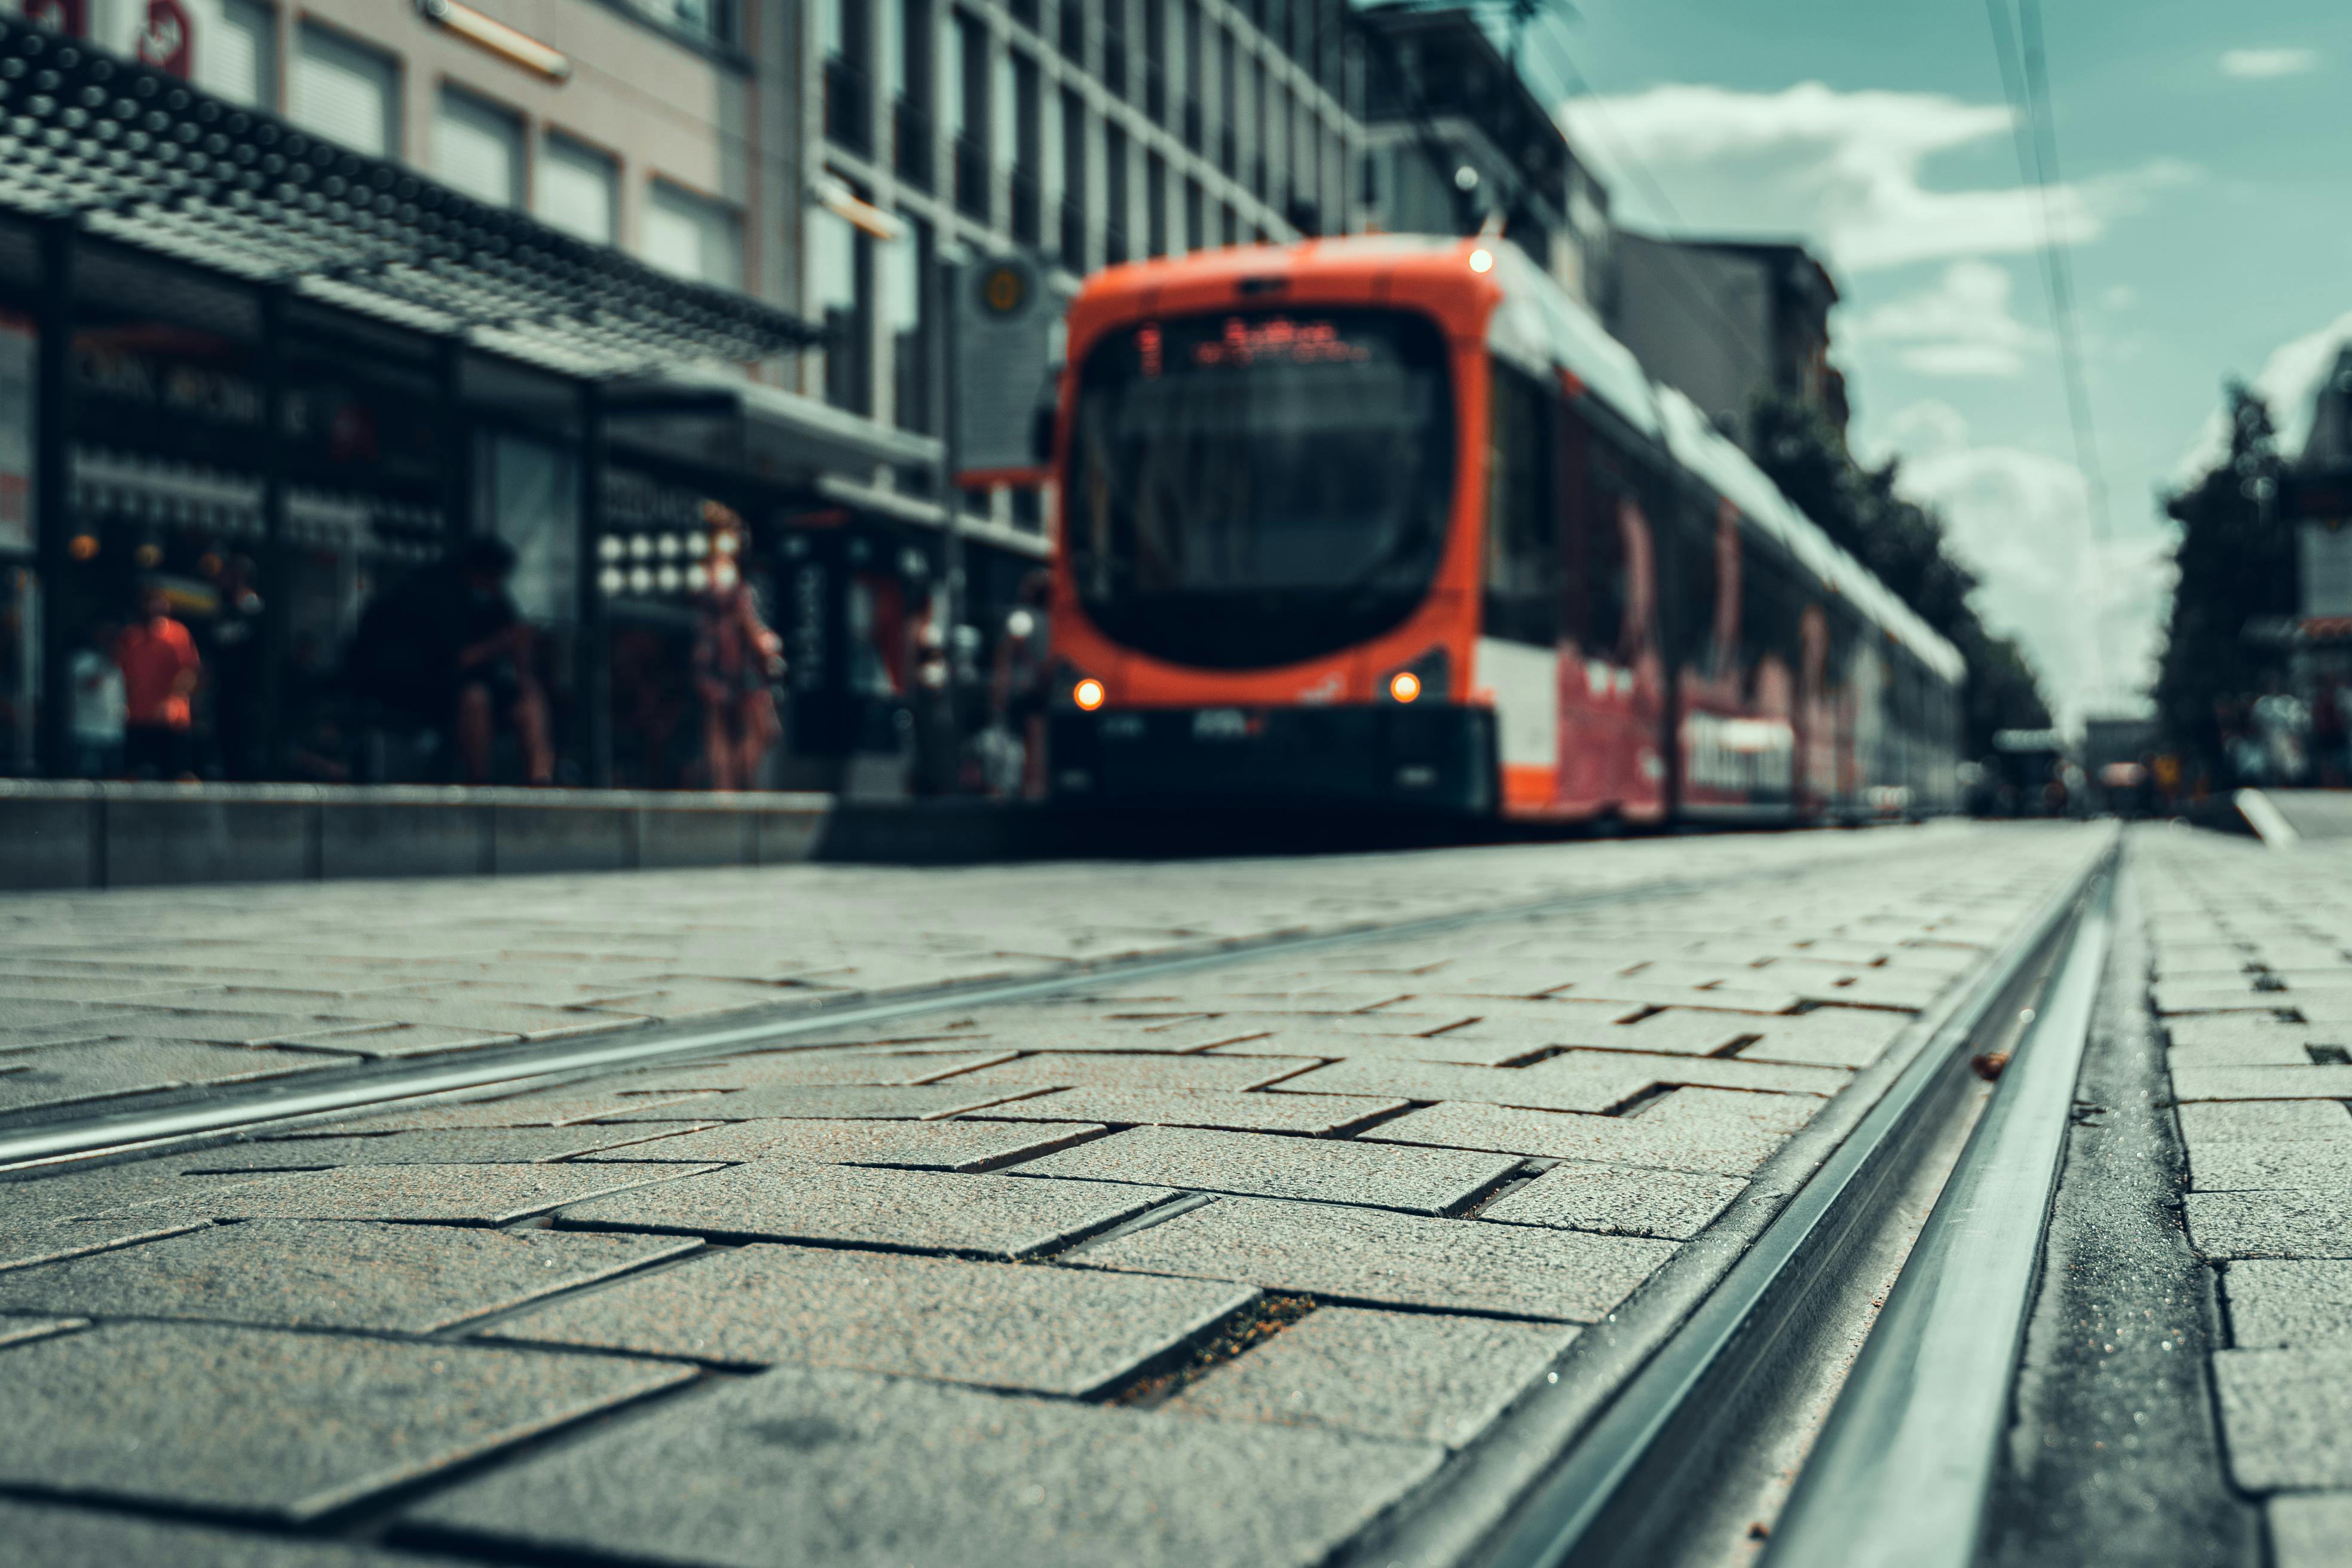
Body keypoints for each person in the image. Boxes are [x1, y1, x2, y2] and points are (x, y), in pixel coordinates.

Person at [350, 538, 553, 786]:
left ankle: (540, 781)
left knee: (531, 701)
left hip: (484, 689)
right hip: (430, 693)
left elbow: (519, 664)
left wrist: (523, 664)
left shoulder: (496, 602)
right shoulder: (436, 598)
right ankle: (480, 783)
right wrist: (499, 643)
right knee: (476, 698)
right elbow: (451, 660)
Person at [693, 551, 783, 792]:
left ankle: (737, 789)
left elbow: (755, 637)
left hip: (740, 681)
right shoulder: (713, 605)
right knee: (726, 742)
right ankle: (729, 791)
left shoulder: (734, 602)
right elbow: (754, 639)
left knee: (747, 740)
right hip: (727, 681)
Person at [116, 586, 201, 780]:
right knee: (133, 774)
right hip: (138, 717)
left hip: (170, 719)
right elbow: (122, 672)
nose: (153, 607)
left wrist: (170, 702)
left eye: (157, 602)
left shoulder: (178, 634)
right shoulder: (130, 636)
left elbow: (189, 672)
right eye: (148, 602)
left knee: (177, 774)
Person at [989, 571, 1054, 799]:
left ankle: (1022, 786)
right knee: (1035, 737)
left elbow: (1005, 658)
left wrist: (999, 693)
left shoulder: (1022, 617)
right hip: (1040, 688)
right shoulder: (1052, 620)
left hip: (1023, 687)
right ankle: (1034, 786)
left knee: (1023, 738)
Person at [69, 618, 125, 778]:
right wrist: (107, 661)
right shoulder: (81, 659)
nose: (111, 640)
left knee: (112, 781)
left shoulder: (117, 664)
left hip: (113, 733)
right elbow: (90, 684)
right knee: (87, 780)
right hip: (87, 731)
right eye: (107, 635)